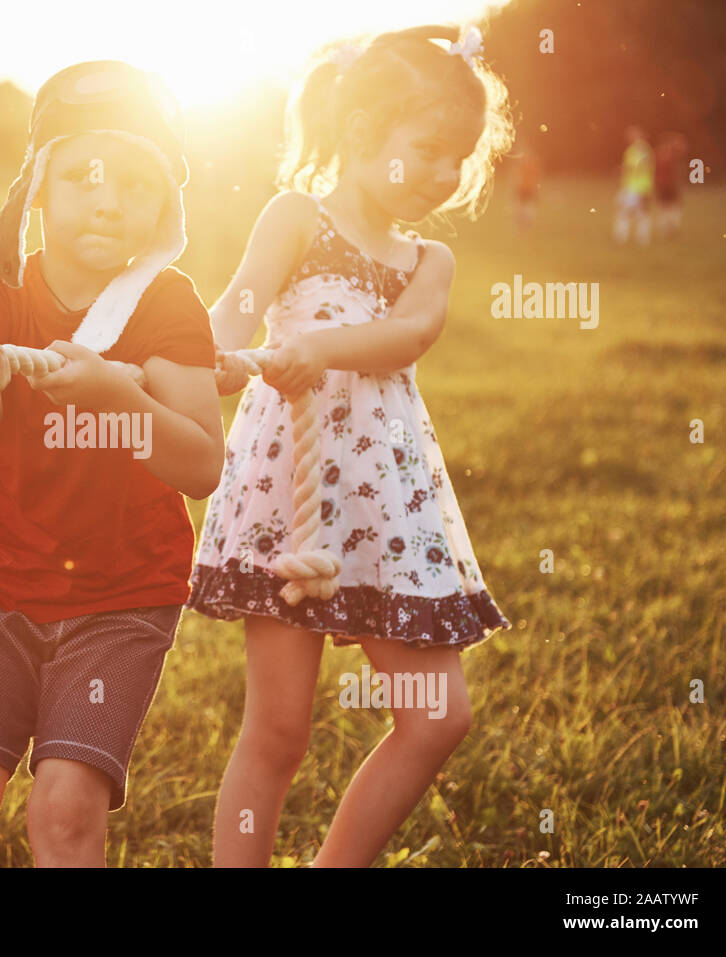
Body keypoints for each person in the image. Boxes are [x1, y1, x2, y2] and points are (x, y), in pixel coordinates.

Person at [192, 24, 514, 867]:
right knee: (279, 727)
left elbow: (406, 337)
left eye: (461, 157)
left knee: (438, 714)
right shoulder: (298, 215)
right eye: (431, 150)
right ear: (366, 129)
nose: (446, 174)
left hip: (384, 504)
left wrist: (319, 351)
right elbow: (235, 310)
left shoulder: (428, 260)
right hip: (285, 494)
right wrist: (204, 362)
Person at [0, 61, 224, 867]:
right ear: (40, 186)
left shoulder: (168, 304)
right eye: (86, 175)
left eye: (136, 183)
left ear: (165, 208)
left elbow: (200, 461)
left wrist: (116, 398)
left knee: (65, 806)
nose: (110, 199)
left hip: (121, 598)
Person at [613, 125, 653, 244]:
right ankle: (642, 238)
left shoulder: (638, 149)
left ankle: (622, 237)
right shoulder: (645, 149)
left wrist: (622, 169)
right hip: (639, 186)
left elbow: (635, 166)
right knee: (641, 213)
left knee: (625, 212)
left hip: (634, 187)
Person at [653, 131, 687, 240]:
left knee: (667, 207)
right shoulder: (669, 154)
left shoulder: (663, 153)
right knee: (668, 207)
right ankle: (668, 228)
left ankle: (668, 228)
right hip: (666, 185)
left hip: (666, 185)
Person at [513, 144, 542, 231]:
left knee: (528, 210)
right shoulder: (521, 165)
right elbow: (517, 177)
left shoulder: (532, 166)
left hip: (528, 189)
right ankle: (521, 226)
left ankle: (526, 226)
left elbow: (535, 178)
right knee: (520, 209)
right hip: (522, 189)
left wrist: (535, 190)